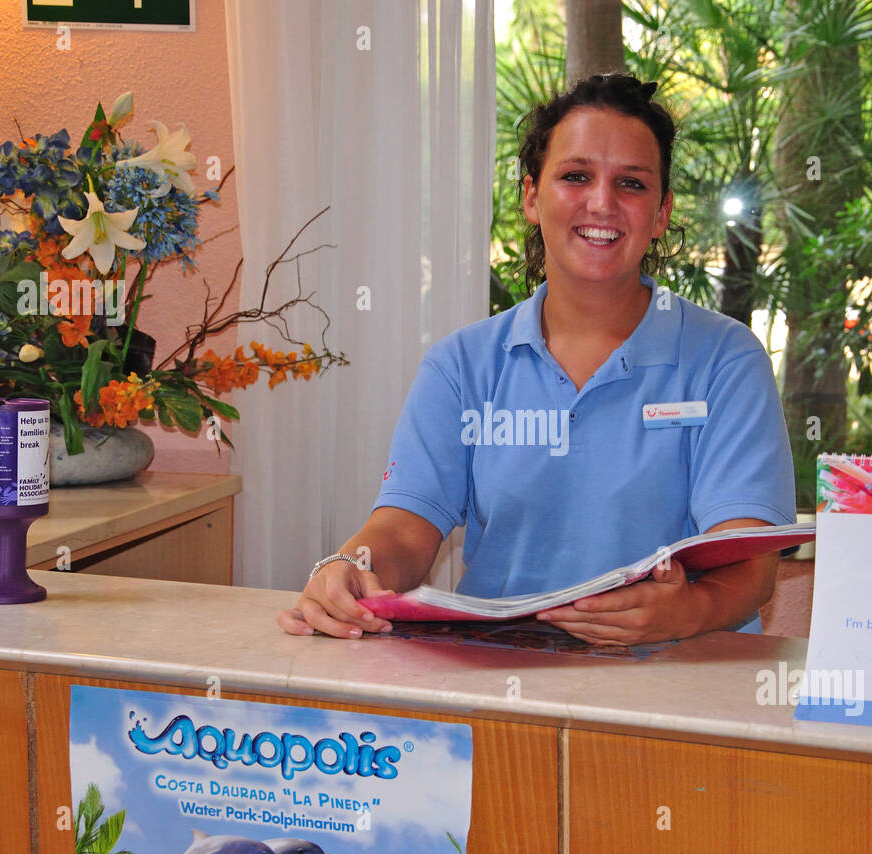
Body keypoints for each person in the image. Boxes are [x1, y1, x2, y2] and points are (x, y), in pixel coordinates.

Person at [277, 73, 795, 647]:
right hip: (499, 678)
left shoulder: (725, 360)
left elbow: (750, 560)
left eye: (632, 183)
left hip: (674, 689)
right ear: (531, 196)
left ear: (662, 211)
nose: (602, 202)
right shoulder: (461, 365)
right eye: (576, 176)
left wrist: (690, 609)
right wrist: (347, 568)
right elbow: (403, 530)